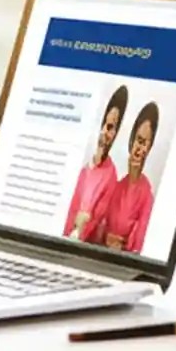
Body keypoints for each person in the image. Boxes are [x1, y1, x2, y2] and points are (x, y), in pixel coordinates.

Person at [63, 85, 128, 242]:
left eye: (111, 127)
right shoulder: (85, 166)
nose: (105, 131)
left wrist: (79, 231)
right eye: (104, 125)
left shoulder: (111, 175)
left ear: (116, 132)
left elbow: (95, 218)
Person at [97, 103, 160, 255]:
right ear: (131, 141)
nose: (140, 149)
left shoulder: (147, 198)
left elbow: (138, 247)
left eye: (146, 144)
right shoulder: (116, 186)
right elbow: (99, 227)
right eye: (139, 140)